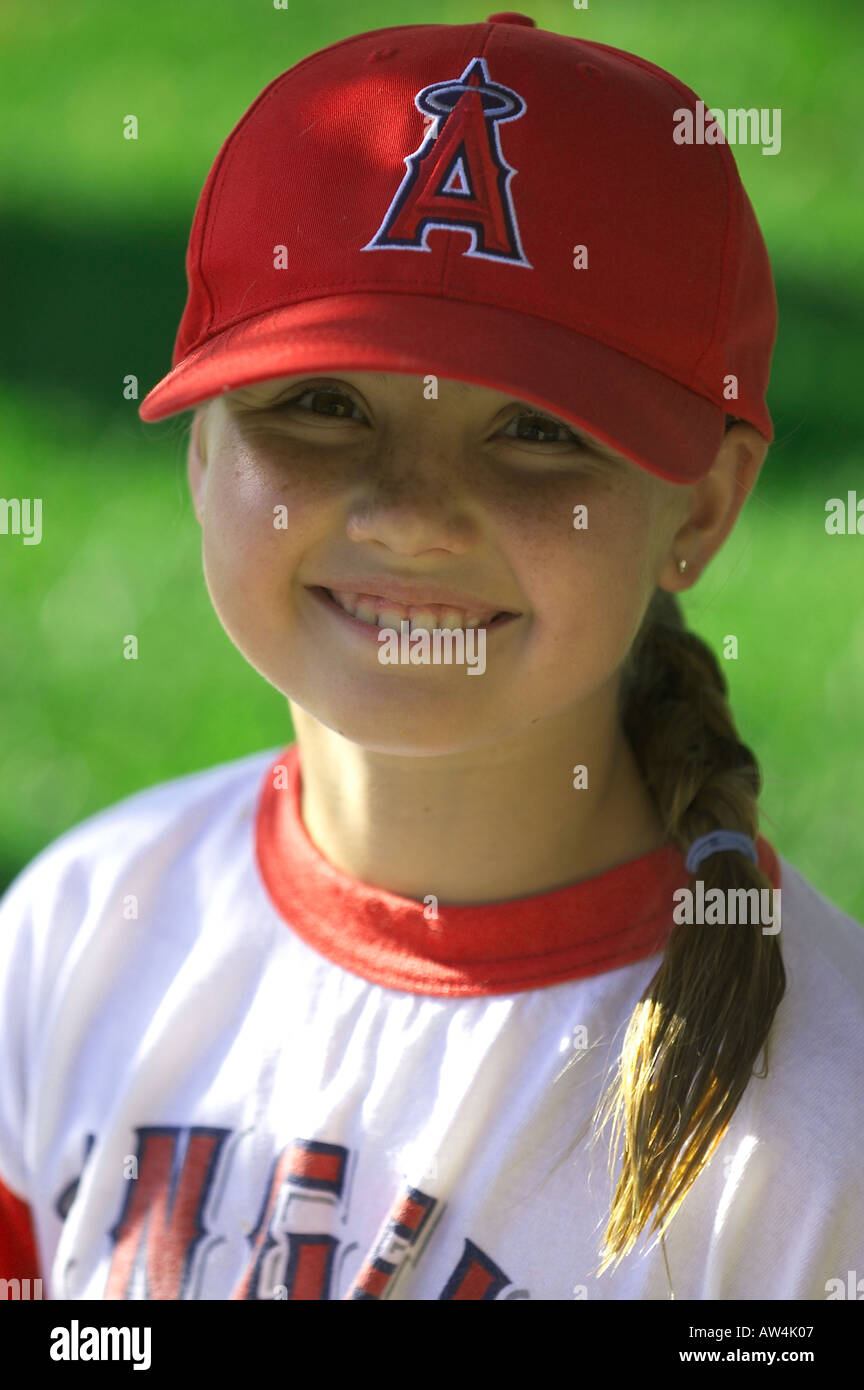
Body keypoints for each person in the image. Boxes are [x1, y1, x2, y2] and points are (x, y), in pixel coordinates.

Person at [1, 13, 862, 1302]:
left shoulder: (816, 1134)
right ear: (200, 451)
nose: (409, 512)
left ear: (699, 509)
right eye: (323, 404)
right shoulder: (80, 932)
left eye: (534, 429)